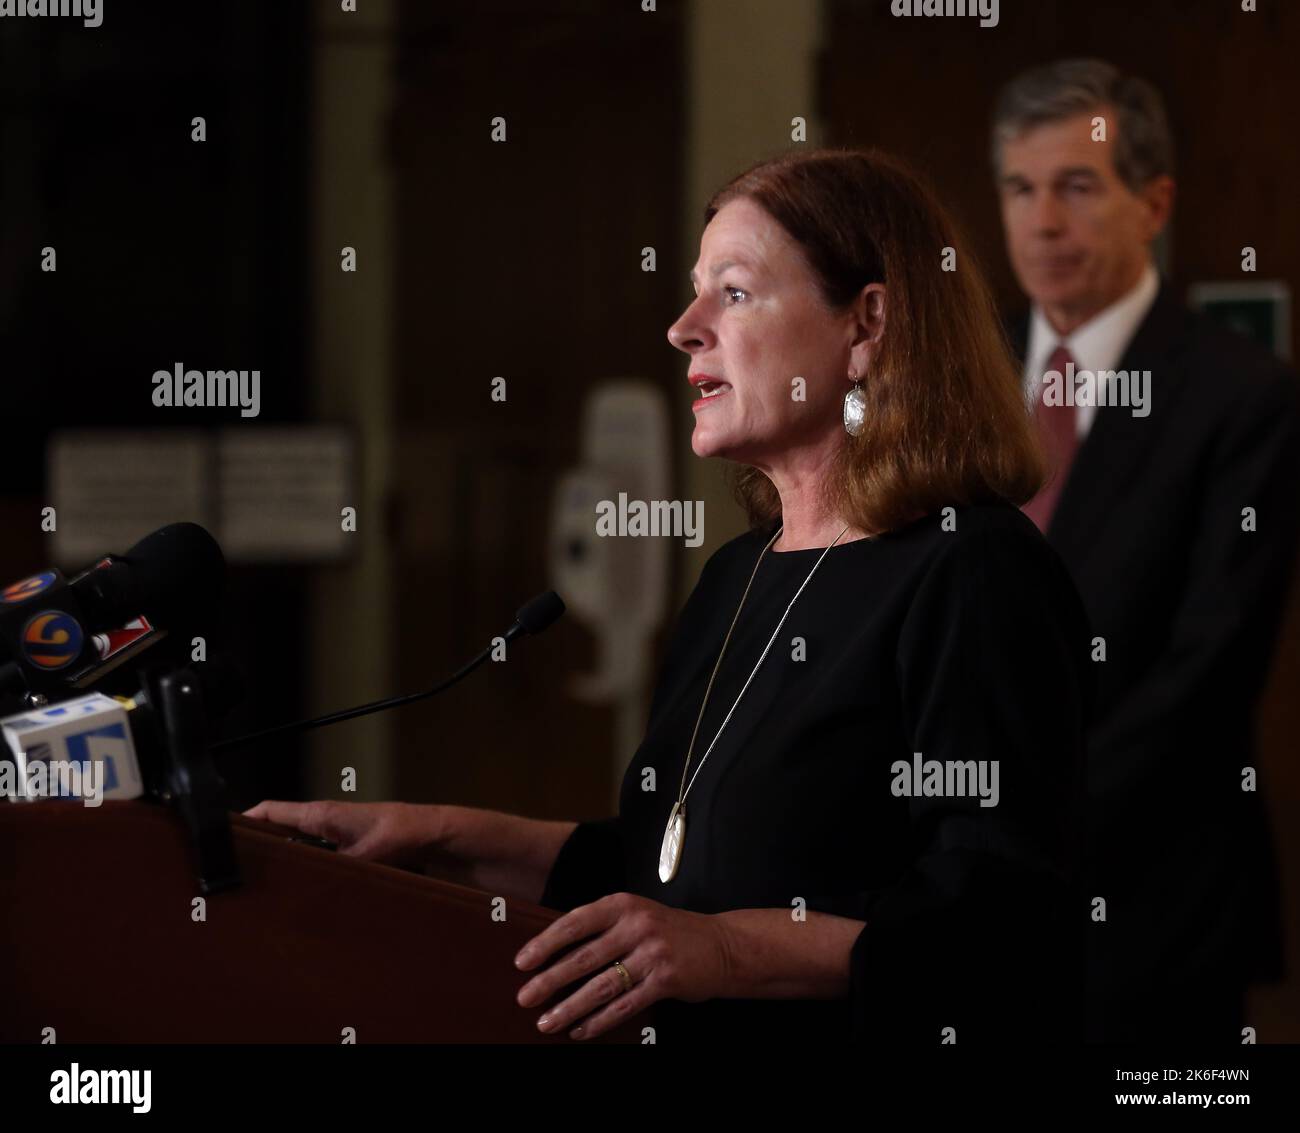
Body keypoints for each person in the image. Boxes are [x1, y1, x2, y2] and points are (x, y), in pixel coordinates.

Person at [247, 147, 1094, 1045]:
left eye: (733, 292)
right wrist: (439, 838)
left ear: (867, 323)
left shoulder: (974, 570)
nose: (684, 327)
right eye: (695, 292)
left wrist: (731, 951)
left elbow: (1003, 931)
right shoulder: (738, 572)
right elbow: (667, 873)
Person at [991, 58, 1300, 1043]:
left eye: (1075, 186)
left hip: (1152, 905)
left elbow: (1207, 667)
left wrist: (1024, 819)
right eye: (1019, 188)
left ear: (1153, 200)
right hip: (952, 894)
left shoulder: (1241, 393)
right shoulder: (957, 375)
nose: (1042, 223)